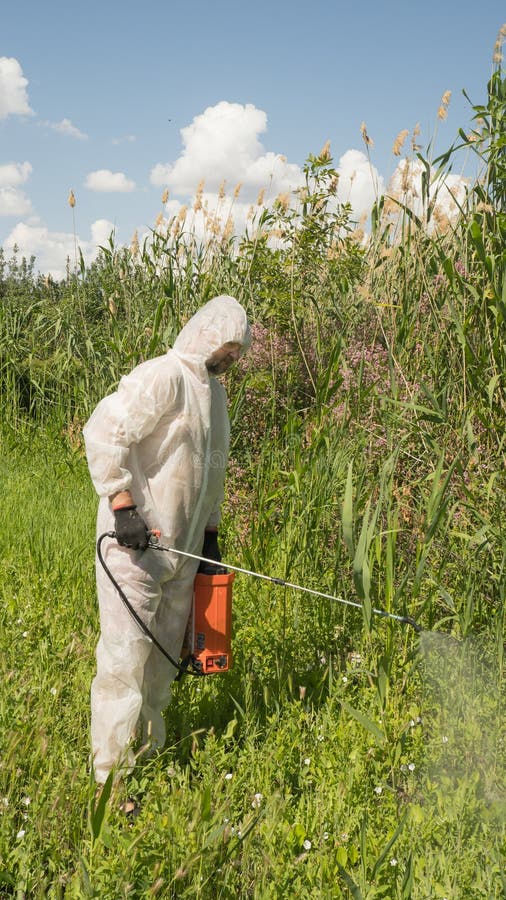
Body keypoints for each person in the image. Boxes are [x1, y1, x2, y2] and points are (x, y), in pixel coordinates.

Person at [83, 295, 251, 785]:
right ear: (205, 334)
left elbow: (210, 474)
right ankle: (110, 781)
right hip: (134, 545)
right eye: (227, 346)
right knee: (123, 659)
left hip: (182, 551)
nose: (230, 359)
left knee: (161, 659)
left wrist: (210, 539)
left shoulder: (214, 395)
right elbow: (105, 430)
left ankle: (149, 757)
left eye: (238, 352)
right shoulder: (164, 376)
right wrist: (122, 505)